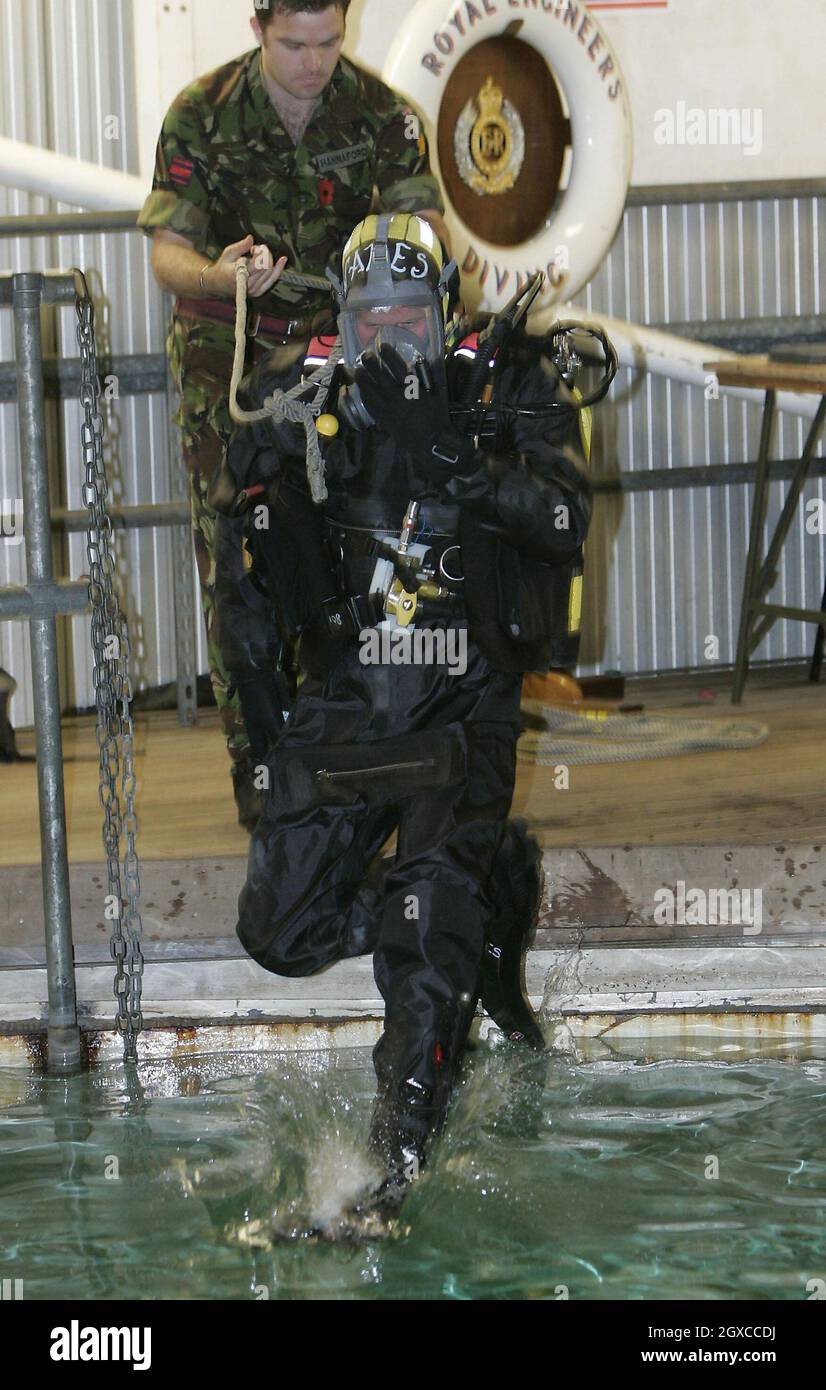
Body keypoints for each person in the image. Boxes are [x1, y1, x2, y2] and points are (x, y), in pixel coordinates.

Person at [213, 212, 596, 1227]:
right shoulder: (297, 401)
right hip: (346, 701)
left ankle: (390, 1169)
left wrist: (464, 468)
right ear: (344, 316)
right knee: (279, 933)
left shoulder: (500, 386)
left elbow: (565, 519)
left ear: (444, 312)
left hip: (462, 701)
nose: (393, 333)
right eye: (371, 313)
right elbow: (244, 594)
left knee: (423, 932)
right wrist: (255, 747)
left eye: (411, 312)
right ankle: (491, 885)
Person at [137, 0, 447, 829]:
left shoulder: (384, 116)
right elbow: (167, 253)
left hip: (337, 358)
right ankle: (263, 776)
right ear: (258, 29)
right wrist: (218, 273)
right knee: (239, 561)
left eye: (329, 42)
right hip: (228, 358)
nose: (314, 62)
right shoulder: (201, 115)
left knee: (356, 551)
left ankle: (349, 760)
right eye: (294, 45)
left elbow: (427, 232)